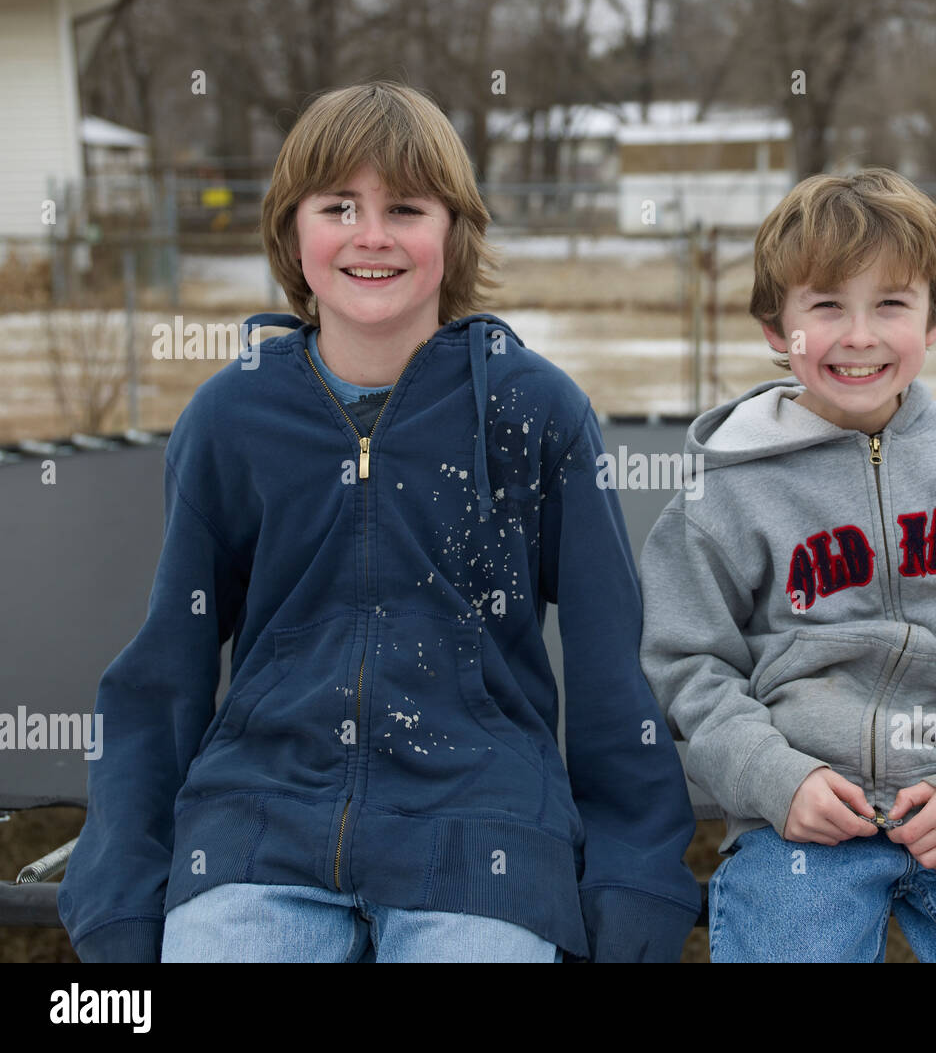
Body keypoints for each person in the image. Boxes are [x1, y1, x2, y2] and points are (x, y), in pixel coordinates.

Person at [58, 80, 701, 963]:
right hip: (257, 829)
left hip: (481, 833)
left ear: (453, 232)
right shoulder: (233, 417)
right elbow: (163, 670)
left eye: (405, 207)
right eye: (339, 207)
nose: (372, 235)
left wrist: (633, 882)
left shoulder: (531, 412)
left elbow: (611, 663)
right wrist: (123, 893)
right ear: (293, 230)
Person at [638, 167, 936, 963]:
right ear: (775, 327)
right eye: (827, 306)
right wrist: (774, 778)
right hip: (807, 820)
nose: (859, 336)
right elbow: (688, 668)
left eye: (891, 303)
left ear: (934, 320)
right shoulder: (723, 492)